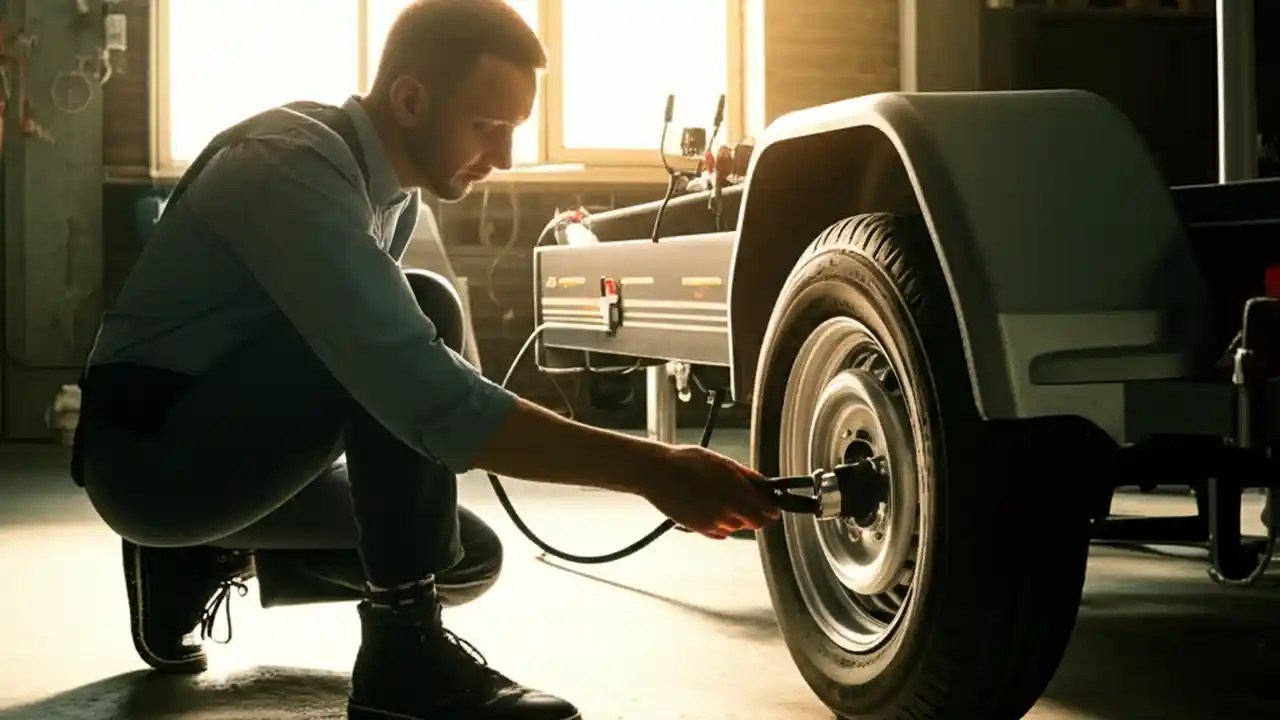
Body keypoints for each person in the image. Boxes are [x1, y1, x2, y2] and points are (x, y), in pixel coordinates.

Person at [68, 1, 780, 719]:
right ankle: (402, 662)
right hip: (148, 463)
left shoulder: (391, 199)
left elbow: (406, 405)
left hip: (230, 452)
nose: (502, 158)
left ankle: (197, 558)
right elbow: (423, 396)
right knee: (421, 312)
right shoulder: (290, 168)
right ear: (410, 100)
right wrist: (653, 469)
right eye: (487, 128)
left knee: (463, 558)